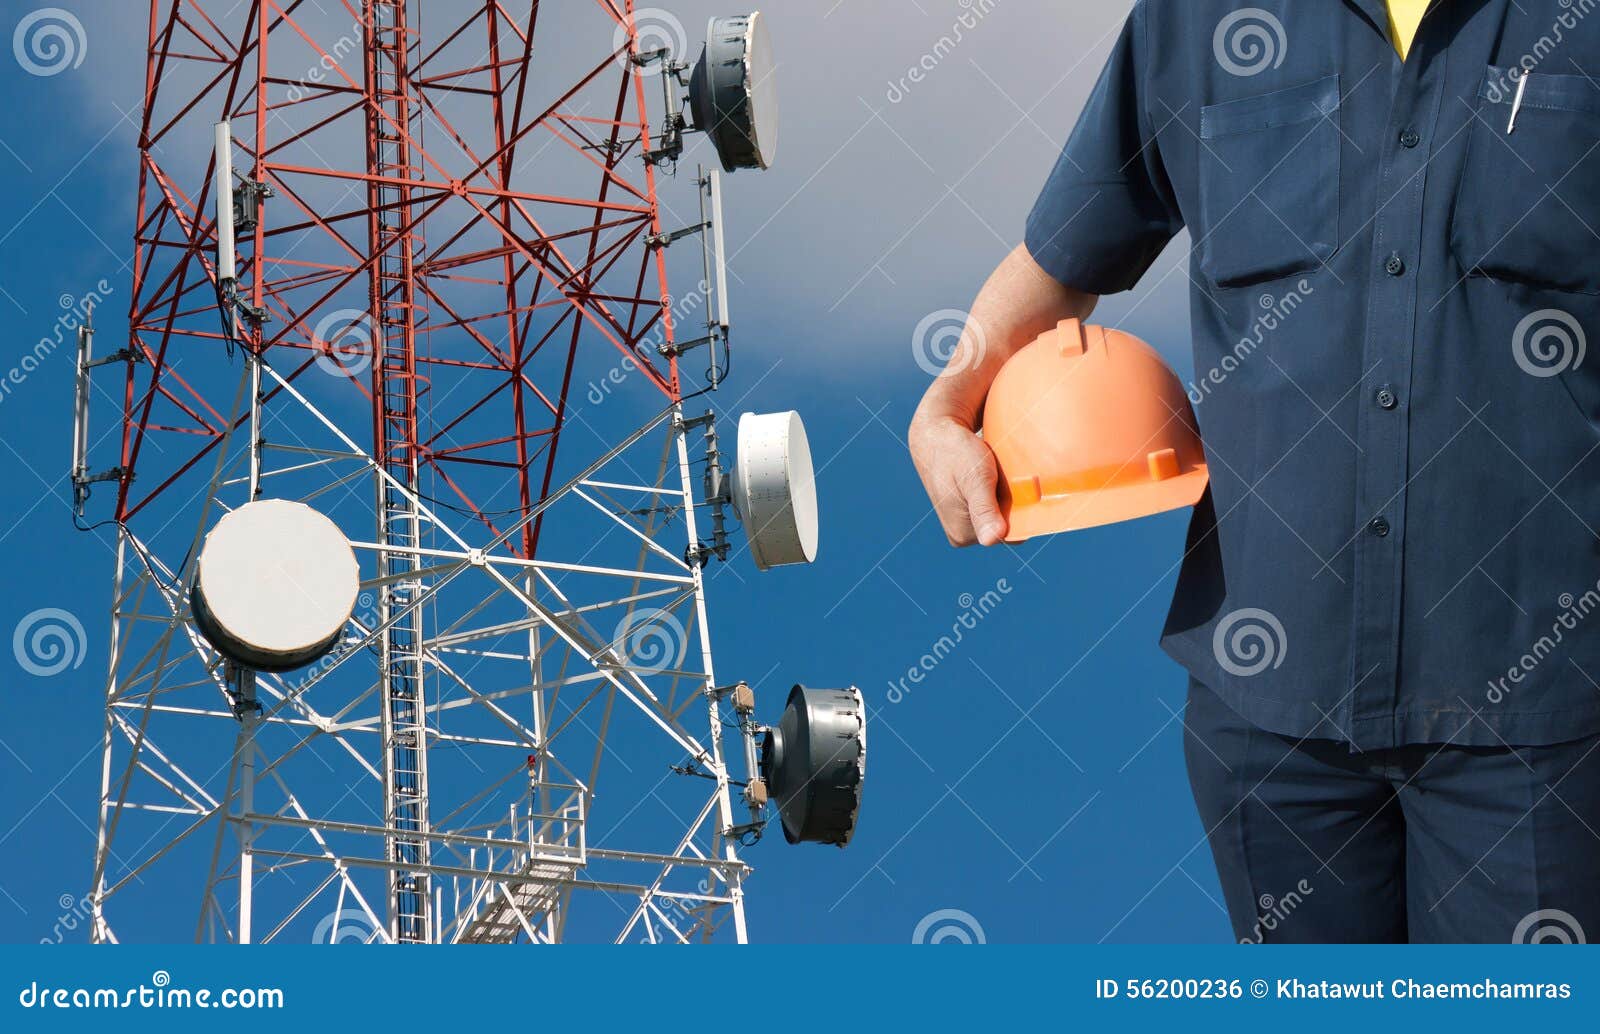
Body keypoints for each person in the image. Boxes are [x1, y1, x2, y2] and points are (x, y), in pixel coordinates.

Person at [909, 0, 1600, 944]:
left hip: (1542, 720)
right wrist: (947, 405)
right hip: (1270, 722)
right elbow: (1066, 254)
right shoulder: (1192, 19)